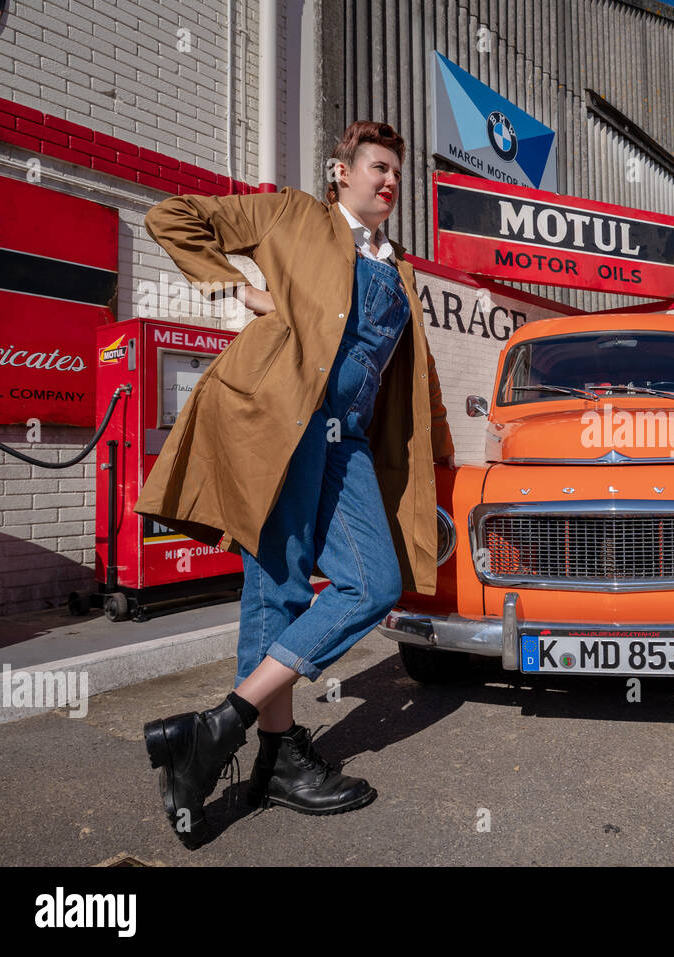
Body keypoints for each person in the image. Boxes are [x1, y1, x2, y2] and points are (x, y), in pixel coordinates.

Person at [135, 121, 456, 848]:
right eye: (378, 167)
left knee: (373, 582)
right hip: (279, 422)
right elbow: (172, 216)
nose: (390, 182)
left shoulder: (400, 268)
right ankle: (275, 758)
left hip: (348, 444)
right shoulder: (289, 214)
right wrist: (240, 290)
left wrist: (444, 450)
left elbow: (418, 376)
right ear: (339, 172)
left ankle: (218, 727)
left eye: (398, 174)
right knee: (275, 589)